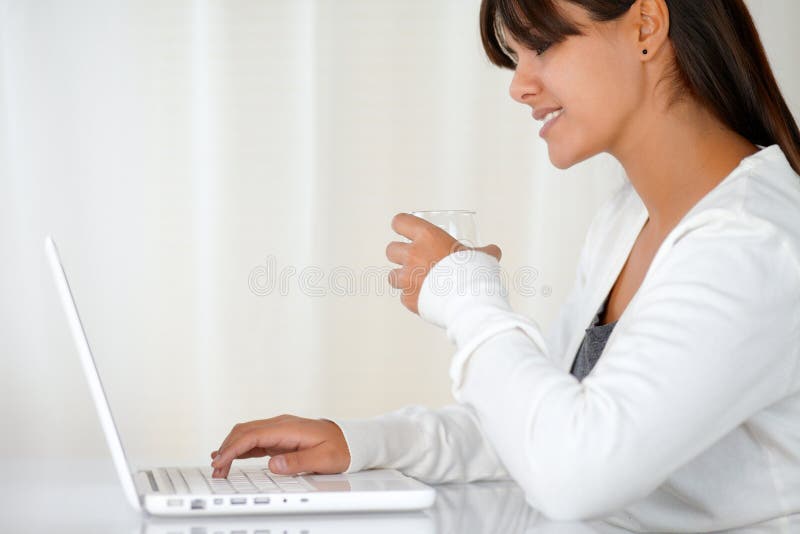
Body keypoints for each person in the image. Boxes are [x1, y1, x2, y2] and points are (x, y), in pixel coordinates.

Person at [210, 0, 800, 528]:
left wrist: (468, 298)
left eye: (541, 46)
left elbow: (574, 473)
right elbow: (541, 426)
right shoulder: (627, 220)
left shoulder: (749, 242)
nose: (519, 87)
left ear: (646, 25)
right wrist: (362, 443)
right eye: (515, 58)